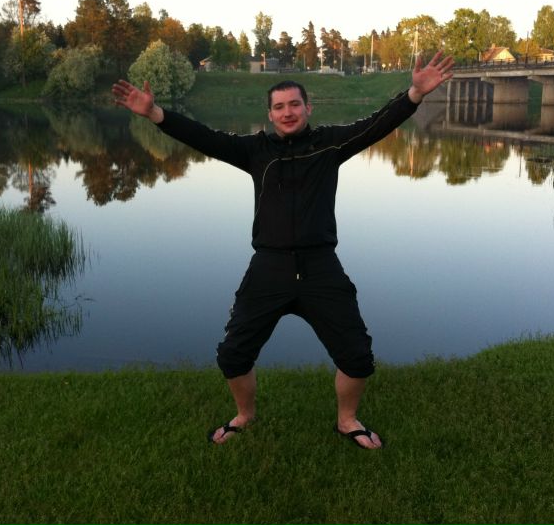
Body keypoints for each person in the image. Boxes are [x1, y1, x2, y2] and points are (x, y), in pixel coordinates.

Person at [112, 51, 453, 449]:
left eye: (294, 104)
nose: (287, 112)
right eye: (279, 107)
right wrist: (156, 114)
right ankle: (244, 415)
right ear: (270, 114)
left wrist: (414, 94)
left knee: (358, 356)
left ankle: (347, 420)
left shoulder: (330, 144)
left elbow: (376, 124)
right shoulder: (255, 151)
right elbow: (204, 137)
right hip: (268, 268)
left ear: (308, 108)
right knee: (233, 355)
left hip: (320, 267)